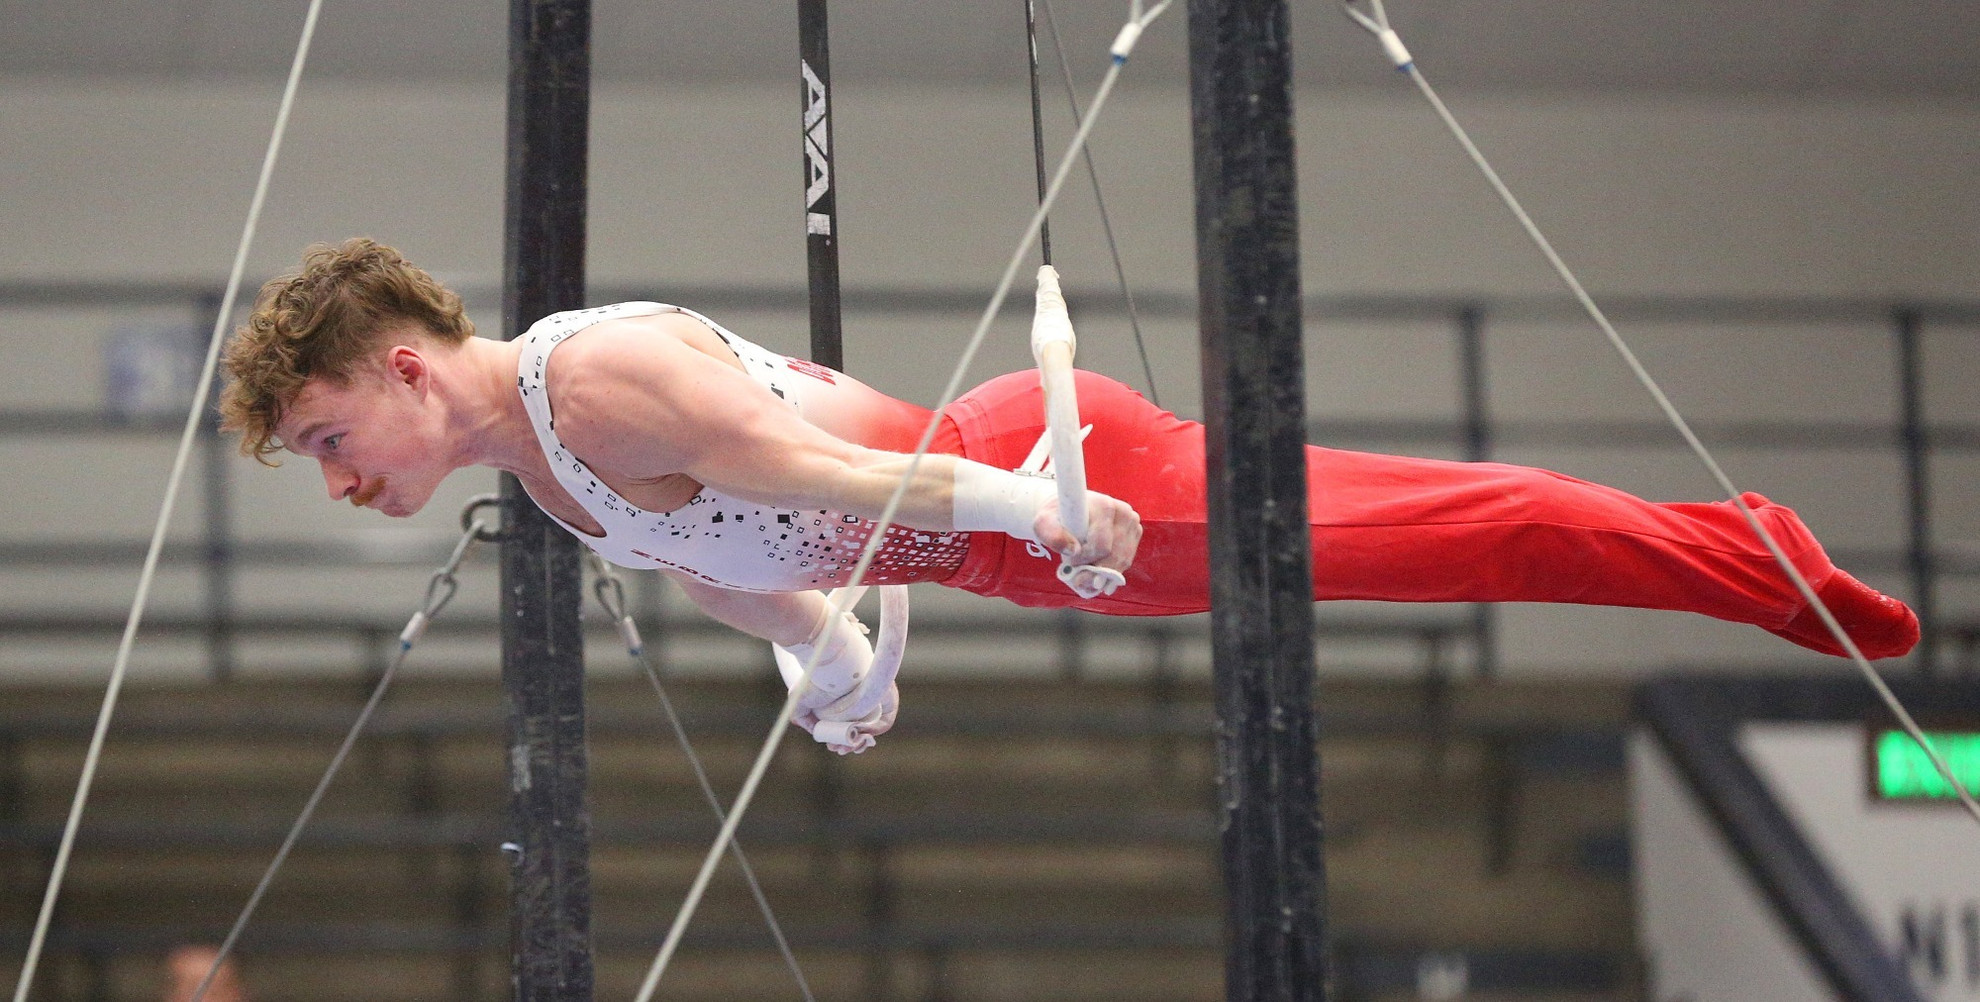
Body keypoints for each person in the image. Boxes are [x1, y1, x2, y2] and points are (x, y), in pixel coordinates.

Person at [220, 239, 1919, 748]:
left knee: (1450, 535)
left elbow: (823, 472)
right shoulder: (548, 464)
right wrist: (819, 656)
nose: (340, 481)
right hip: (1004, 534)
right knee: (1426, 536)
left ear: (404, 371)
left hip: (1038, 478)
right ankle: (1734, 551)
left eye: (325, 439)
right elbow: (741, 551)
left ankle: (1749, 561)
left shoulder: (592, 379)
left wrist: (1033, 515)